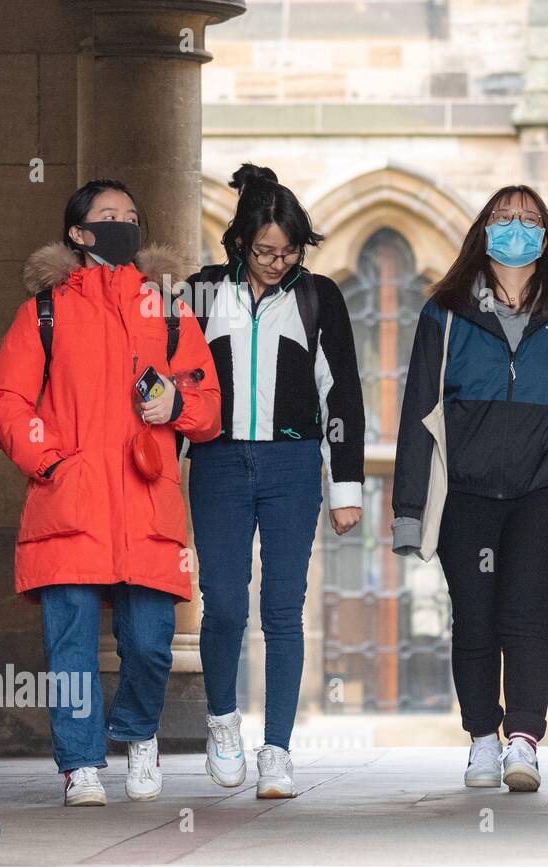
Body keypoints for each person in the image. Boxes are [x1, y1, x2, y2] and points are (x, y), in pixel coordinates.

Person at [0, 179, 221, 806]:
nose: (123, 224)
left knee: (149, 645)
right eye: (108, 216)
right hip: (70, 499)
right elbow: (6, 399)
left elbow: (207, 405)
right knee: (71, 648)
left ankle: (138, 734)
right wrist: (48, 459)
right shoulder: (46, 309)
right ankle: (81, 765)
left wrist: (178, 402)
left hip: (147, 500)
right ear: (78, 233)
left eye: (132, 216)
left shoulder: (168, 308)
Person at [392, 184, 548, 793]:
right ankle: (481, 741)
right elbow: (419, 411)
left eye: (528, 219)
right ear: (483, 229)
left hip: (542, 492)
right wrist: (409, 511)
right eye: (504, 217)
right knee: (473, 619)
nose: (516, 228)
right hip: (465, 493)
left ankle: (524, 739)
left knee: (526, 616)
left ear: (545, 236)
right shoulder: (444, 313)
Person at [184, 163, 365, 799]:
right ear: (239, 243)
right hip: (219, 463)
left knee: (283, 610)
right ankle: (223, 722)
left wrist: (346, 487)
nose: (276, 263)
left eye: (288, 252)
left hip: (293, 465)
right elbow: (178, 382)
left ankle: (278, 751)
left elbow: (342, 395)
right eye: (265, 250)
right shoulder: (201, 292)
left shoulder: (319, 298)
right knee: (225, 602)